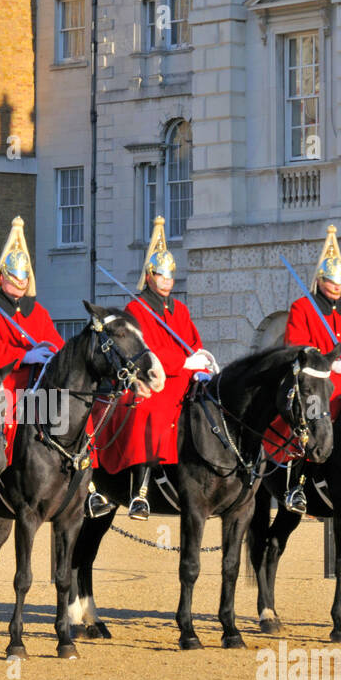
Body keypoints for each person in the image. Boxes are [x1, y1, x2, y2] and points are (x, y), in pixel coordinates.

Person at [97, 216, 214, 519]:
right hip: (154, 382)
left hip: (185, 382)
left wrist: (202, 359)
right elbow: (145, 351)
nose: (166, 281)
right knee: (151, 413)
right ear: (149, 276)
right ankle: (140, 490)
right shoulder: (137, 308)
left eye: (170, 276)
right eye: (160, 275)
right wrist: (183, 362)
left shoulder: (181, 310)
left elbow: (193, 342)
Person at [272, 224, 341, 513]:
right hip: (318, 383)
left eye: (339, 280)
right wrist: (331, 365)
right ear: (319, 280)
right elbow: (297, 346)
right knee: (310, 416)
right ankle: (296, 483)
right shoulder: (302, 308)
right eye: (330, 280)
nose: (336, 285)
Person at [0, 216, 65, 461]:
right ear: (2, 277)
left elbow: (56, 343)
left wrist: (53, 353)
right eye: (15, 277)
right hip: (3, 382)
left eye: (24, 278)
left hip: (36, 383)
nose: (20, 283)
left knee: (67, 414)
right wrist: (23, 356)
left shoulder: (39, 312)